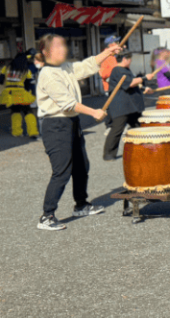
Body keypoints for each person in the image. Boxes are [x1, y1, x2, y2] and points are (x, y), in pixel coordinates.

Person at [35, 34, 122, 230]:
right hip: (55, 125)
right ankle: (47, 216)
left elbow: (86, 65)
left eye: (64, 45)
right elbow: (67, 103)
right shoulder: (47, 73)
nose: (63, 49)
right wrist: (94, 112)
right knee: (62, 171)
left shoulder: (65, 67)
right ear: (46, 52)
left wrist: (108, 52)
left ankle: (81, 204)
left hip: (72, 122)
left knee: (82, 166)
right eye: (58, 47)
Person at [103, 53, 157, 161]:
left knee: (138, 127)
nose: (131, 61)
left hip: (131, 106)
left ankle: (141, 148)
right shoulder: (117, 70)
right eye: (130, 59)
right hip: (121, 106)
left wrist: (144, 88)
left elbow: (135, 84)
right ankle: (108, 154)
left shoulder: (126, 70)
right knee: (117, 130)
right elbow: (130, 83)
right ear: (124, 59)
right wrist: (144, 77)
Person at [1, 52, 39, 139]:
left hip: (10, 93)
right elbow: (29, 84)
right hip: (21, 92)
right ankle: (33, 132)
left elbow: (1, 80)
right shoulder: (25, 70)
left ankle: (17, 132)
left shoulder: (6, 68)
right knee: (28, 112)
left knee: (15, 112)